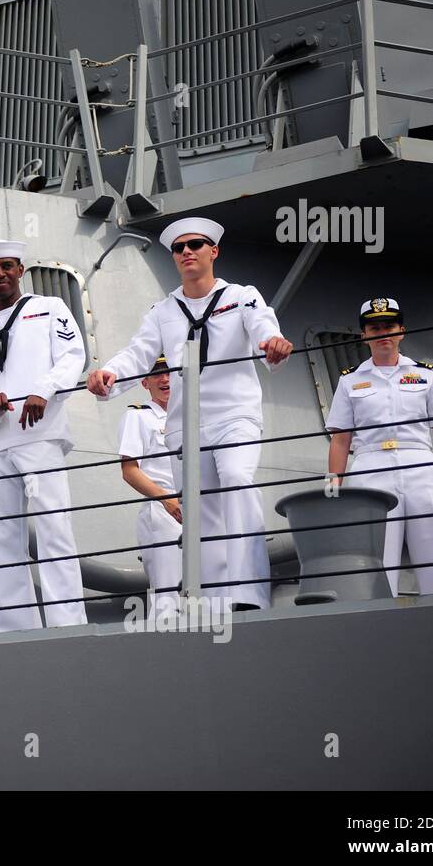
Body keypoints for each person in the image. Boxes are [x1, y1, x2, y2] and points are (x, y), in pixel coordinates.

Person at [88, 216, 292, 610]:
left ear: (213, 251)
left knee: (236, 479)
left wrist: (273, 344)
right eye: (179, 248)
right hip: (187, 425)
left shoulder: (241, 296)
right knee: (203, 510)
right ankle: (215, 601)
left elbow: (262, 327)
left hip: (235, 414)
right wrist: (109, 374)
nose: (186, 252)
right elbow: (139, 353)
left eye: (195, 245)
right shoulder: (164, 311)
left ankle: (249, 592)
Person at [0, 241, 88, 630]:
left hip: (40, 434)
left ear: (19, 270)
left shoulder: (47, 309)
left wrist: (43, 390)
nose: (0, 274)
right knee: (0, 538)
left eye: (7, 266)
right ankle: (17, 627)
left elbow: (72, 357)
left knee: (53, 528)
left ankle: (67, 622)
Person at [326, 298, 433, 595]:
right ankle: (380, 629)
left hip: (421, 465)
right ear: (364, 335)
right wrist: (332, 485)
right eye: (374, 327)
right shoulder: (350, 381)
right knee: (378, 561)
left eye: (389, 325)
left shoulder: (426, 375)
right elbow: (341, 439)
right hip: (370, 467)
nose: (383, 333)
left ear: (401, 330)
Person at [116, 356, 182, 620]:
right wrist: (167, 501)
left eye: (169, 372)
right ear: (145, 382)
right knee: (169, 597)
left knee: (210, 594)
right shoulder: (138, 417)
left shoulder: (194, 416)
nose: (164, 379)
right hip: (164, 510)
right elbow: (129, 470)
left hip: (201, 509)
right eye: (156, 374)